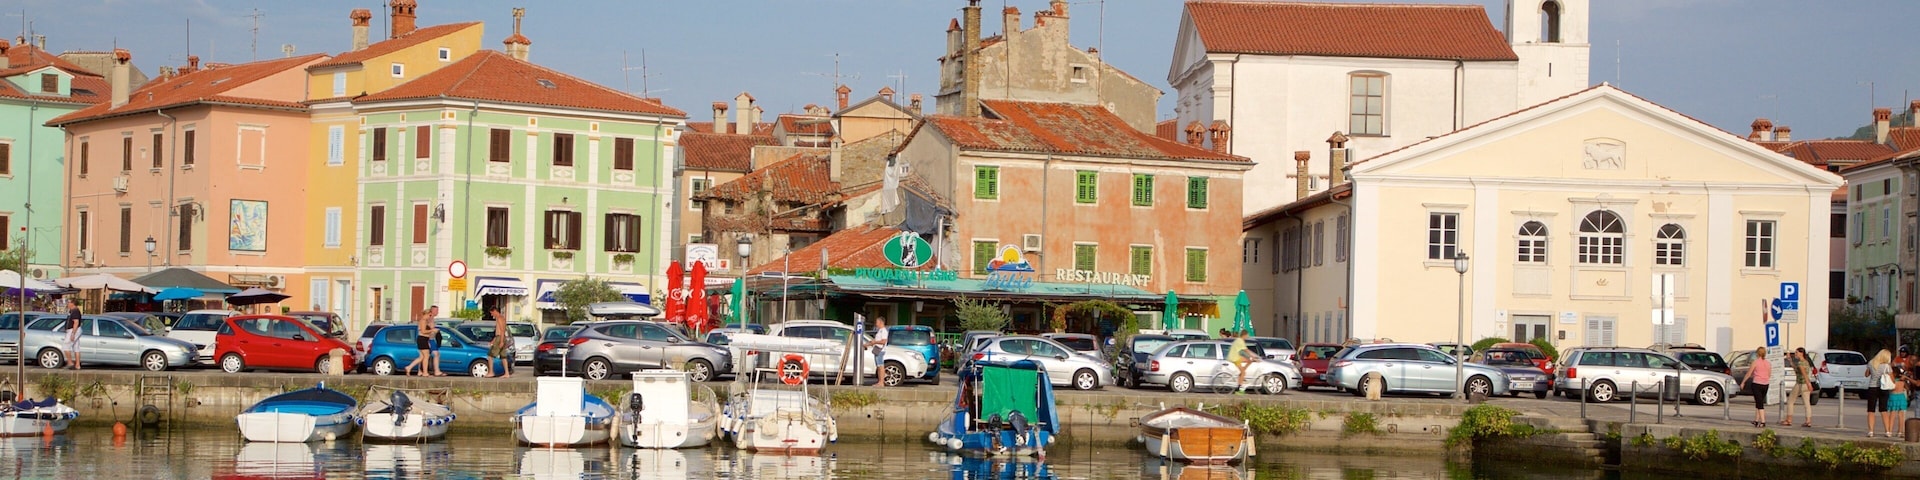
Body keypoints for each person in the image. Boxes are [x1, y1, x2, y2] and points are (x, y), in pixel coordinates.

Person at [1739, 346, 1771, 428]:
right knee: (1759, 401)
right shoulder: (1768, 363)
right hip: (1766, 384)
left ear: (1757, 353)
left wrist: (1743, 382)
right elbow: (1769, 374)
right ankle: (1756, 420)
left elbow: (1749, 373)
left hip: (1757, 383)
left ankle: (1763, 421)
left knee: (1759, 403)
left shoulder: (1755, 362)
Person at [1868, 349, 1895, 437]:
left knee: (1871, 410)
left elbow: (1866, 374)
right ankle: (1887, 431)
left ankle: (1871, 431)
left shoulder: (1871, 363)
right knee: (1883, 410)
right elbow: (1892, 379)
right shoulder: (1887, 366)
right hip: (1883, 388)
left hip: (1872, 387)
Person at [1783, 348, 1813, 427]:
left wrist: (1808, 383)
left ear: (1801, 353)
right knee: (1807, 403)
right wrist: (1790, 361)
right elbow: (1796, 369)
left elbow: (1804, 374)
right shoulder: (1806, 362)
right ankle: (1808, 421)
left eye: (1797, 352)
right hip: (1806, 385)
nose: (1795, 354)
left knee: (1790, 401)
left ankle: (1789, 419)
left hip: (1801, 384)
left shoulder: (1801, 363)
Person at [862, 317, 890, 387]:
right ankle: (879, 381)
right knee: (878, 366)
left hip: (880, 350)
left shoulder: (883, 331)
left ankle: (881, 382)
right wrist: (867, 344)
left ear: (881, 322)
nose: (876, 323)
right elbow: (874, 341)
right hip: (877, 350)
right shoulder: (880, 331)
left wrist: (875, 342)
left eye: (877, 322)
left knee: (880, 366)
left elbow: (883, 341)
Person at [488, 307, 513, 378]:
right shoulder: (501, 318)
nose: (491, 314)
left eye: (491, 313)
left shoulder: (499, 318)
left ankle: (491, 372)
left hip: (500, 338)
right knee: (503, 357)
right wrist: (493, 340)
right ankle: (507, 373)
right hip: (499, 338)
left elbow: (502, 330)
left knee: (490, 355)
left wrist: (501, 341)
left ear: (494, 311)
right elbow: (498, 331)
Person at [1891, 368, 1910, 437]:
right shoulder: (1902, 381)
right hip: (1902, 397)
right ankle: (1900, 431)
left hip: (1894, 397)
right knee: (1901, 416)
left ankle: (1889, 430)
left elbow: (1892, 388)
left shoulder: (1893, 381)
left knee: (1892, 414)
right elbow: (1907, 388)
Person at [62, 306, 83, 370]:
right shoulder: (72, 311)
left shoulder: (75, 311)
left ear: (72, 303)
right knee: (76, 347)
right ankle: (77, 365)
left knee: (66, 346)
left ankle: (70, 362)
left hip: (73, 330)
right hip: (73, 330)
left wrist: (73, 333)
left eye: (68, 302)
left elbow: (76, 322)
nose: (67, 304)